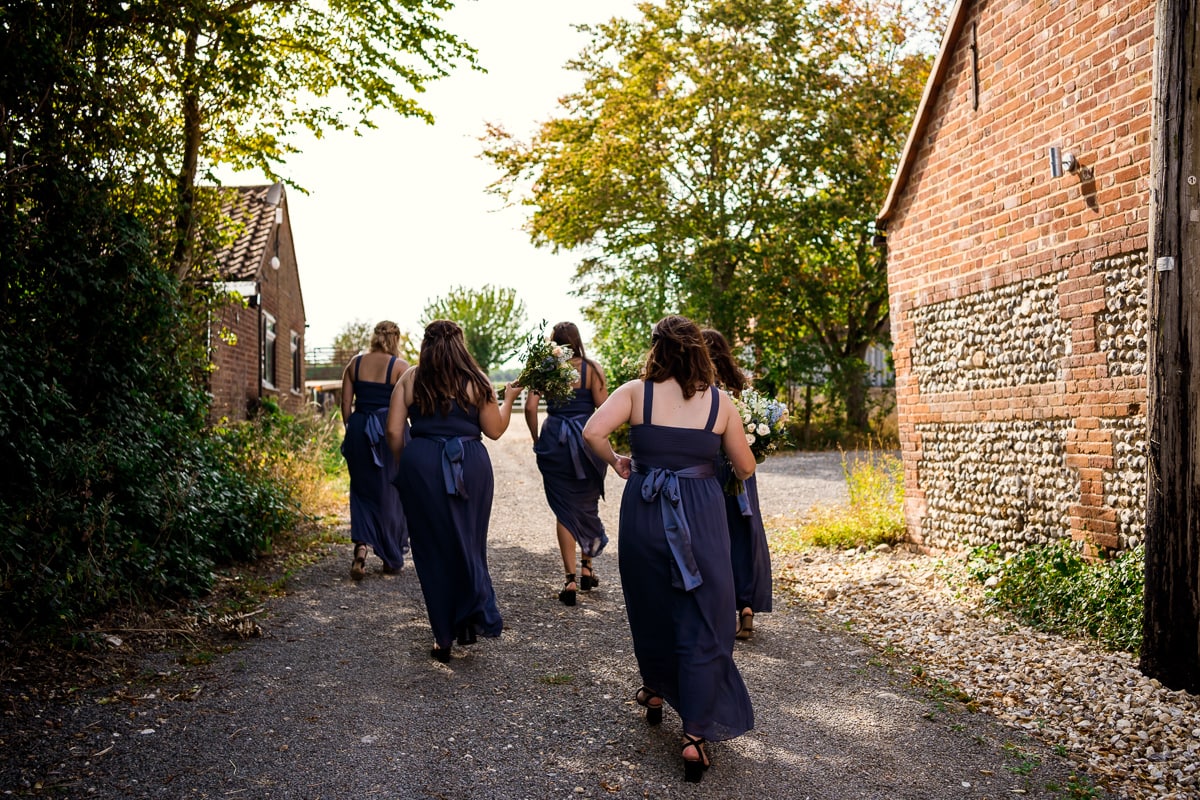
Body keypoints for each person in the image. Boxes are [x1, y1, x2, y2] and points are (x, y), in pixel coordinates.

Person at [582, 315, 757, 784]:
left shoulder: (635, 393)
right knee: (704, 613)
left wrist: (619, 460)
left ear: (656, 350)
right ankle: (695, 734)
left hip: (645, 509)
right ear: (699, 351)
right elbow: (744, 466)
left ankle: (655, 692)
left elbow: (592, 433)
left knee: (652, 606)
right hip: (698, 514)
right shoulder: (720, 403)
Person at [386, 319, 522, 663]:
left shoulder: (410, 378)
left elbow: (392, 432)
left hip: (421, 465)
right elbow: (494, 430)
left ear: (426, 344)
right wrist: (509, 400)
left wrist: (410, 464)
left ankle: (443, 634)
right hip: (470, 466)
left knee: (431, 549)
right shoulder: (476, 381)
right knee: (468, 543)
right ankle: (469, 617)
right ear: (460, 344)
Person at [523, 321, 610, 606]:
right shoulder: (593, 369)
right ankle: (587, 567)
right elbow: (605, 408)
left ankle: (570, 579)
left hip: (555, 441)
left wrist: (537, 439)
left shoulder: (545, 368)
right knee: (587, 502)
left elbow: (530, 407)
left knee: (564, 508)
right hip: (587, 441)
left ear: (553, 341)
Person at [701, 328, 773, 640]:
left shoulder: (703, 388)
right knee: (746, 533)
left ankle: (728, 608)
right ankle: (747, 607)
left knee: (719, 537)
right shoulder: (740, 387)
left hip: (714, 468)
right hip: (743, 470)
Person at [340, 320, 410, 580]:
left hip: (359, 429)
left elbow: (346, 405)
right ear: (395, 339)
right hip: (386, 430)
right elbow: (408, 405)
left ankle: (361, 548)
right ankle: (391, 557)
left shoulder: (354, 364)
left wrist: (354, 430)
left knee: (361, 489)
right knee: (391, 490)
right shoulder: (400, 367)